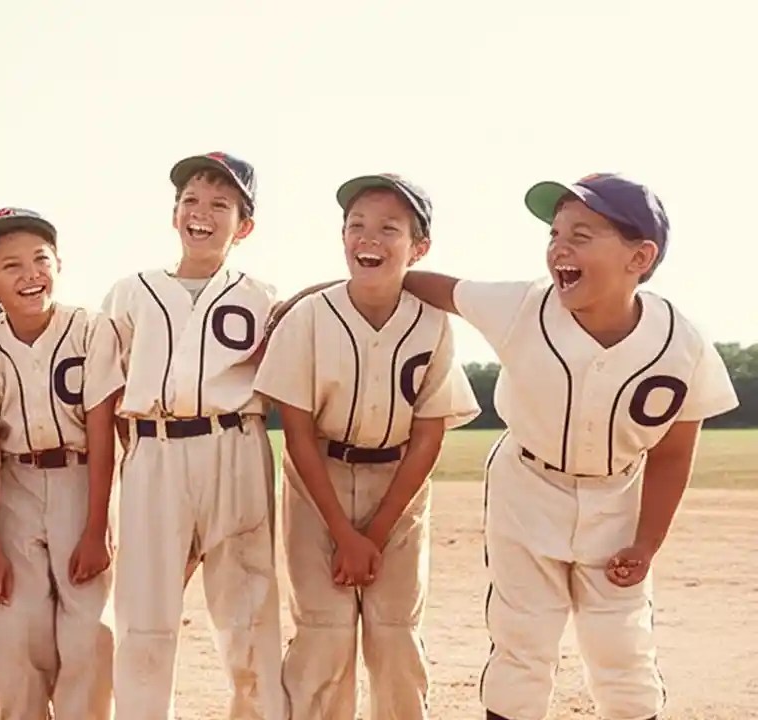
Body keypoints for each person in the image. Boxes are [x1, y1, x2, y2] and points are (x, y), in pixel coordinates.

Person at [400, 173, 739, 720]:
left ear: (640, 257)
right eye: (555, 234)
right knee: (522, 637)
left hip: (618, 495)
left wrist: (646, 543)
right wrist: (327, 292)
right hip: (525, 487)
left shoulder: (682, 342)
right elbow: (430, 286)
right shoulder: (521, 305)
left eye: (582, 235)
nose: (560, 247)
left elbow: (674, 453)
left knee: (621, 645)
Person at [255, 174, 480, 720]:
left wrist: (373, 535)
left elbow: (428, 435)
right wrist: (342, 534)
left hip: (398, 485)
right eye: (356, 225)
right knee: (324, 631)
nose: (369, 238)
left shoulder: (433, 324)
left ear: (419, 248)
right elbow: (297, 432)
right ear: (342, 237)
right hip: (319, 479)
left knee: (395, 633)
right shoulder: (309, 316)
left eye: (388, 228)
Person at [101, 152, 284, 719]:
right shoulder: (131, 292)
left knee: (248, 613)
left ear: (244, 226)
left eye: (220, 205)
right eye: (190, 201)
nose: (201, 213)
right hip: (153, 447)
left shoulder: (263, 296)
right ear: (174, 213)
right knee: (144, 617)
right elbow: (108, 389)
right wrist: (139, 454)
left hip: (236, 444)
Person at [0, 206, 123, 719]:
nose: (30, 274)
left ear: (59, 264)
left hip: (80, 477)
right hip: (15, 482)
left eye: (40, 259)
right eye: (11, 266)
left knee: (88, 629)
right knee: (13, 627)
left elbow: (102, 433)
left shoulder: (90, 329)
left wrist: (96, 527)